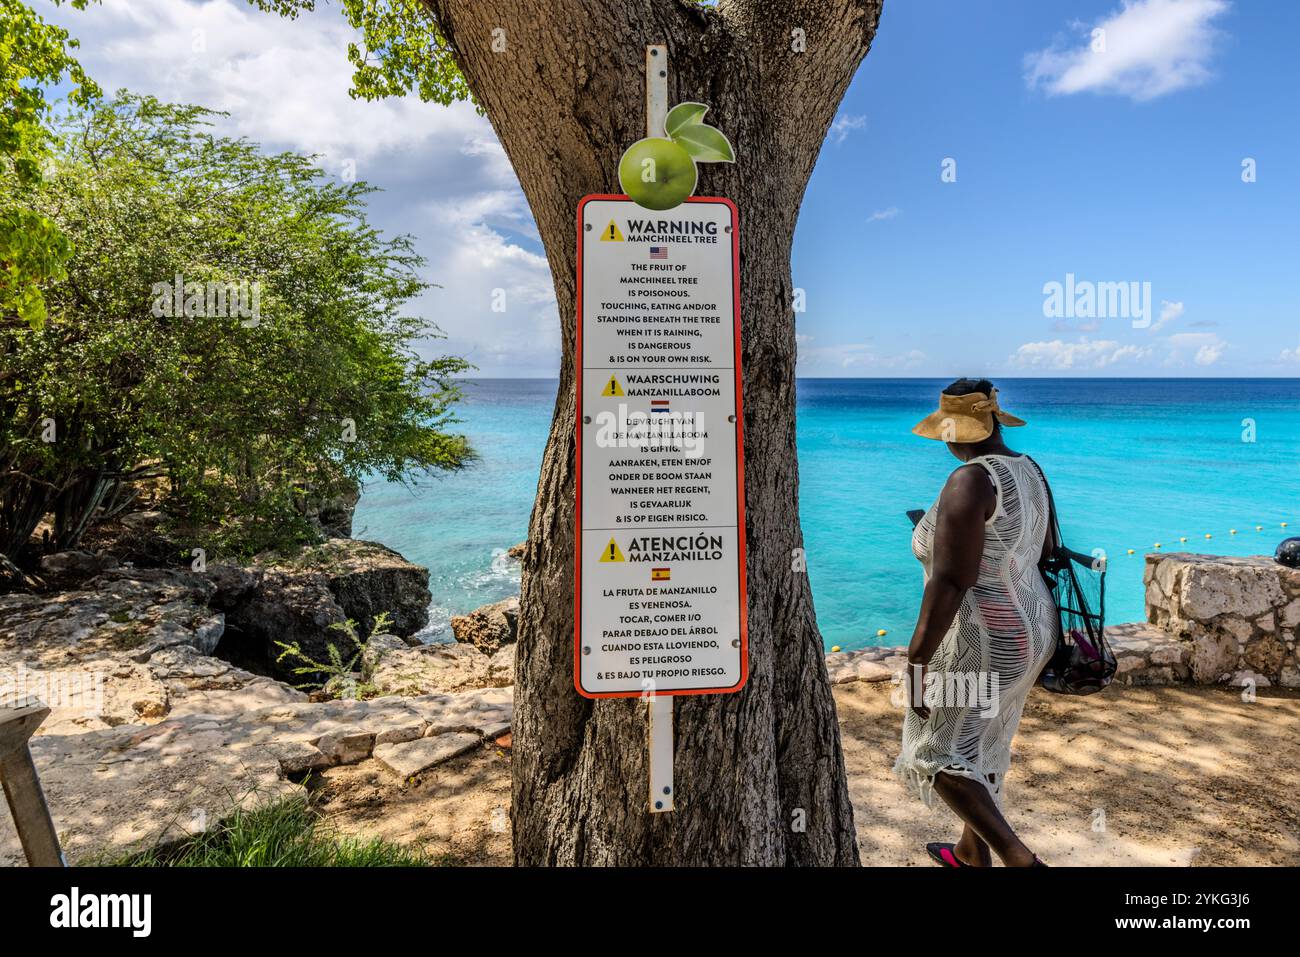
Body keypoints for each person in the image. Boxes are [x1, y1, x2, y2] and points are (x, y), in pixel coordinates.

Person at [893, 378, 1056, 867]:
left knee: (934, 753)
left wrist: (916, 660)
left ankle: (1019, 859)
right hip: (1032, 628)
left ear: (953, 432)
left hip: (982, 638)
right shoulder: (1028, 471)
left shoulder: (969, 480)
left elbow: (951, 581)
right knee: (982, 742)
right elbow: (1042, 550)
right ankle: (969, 852)